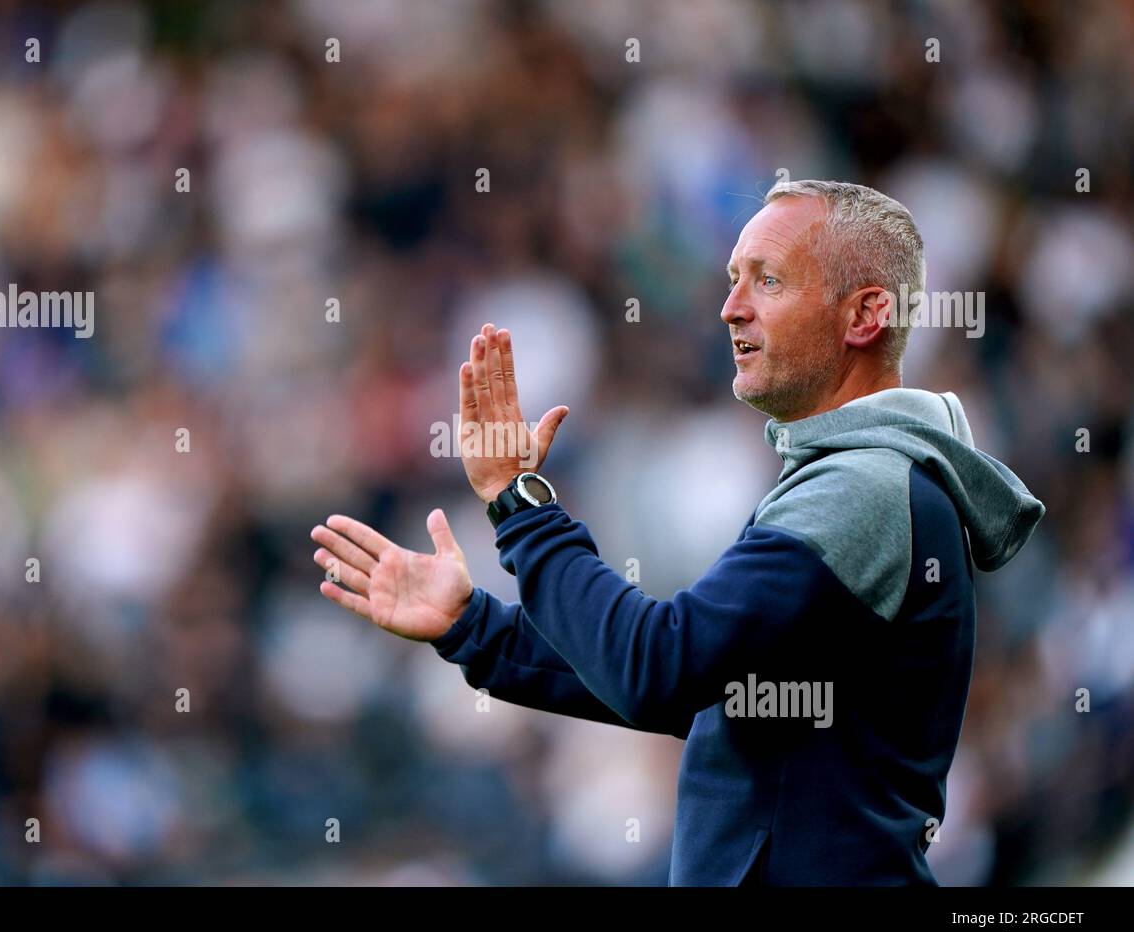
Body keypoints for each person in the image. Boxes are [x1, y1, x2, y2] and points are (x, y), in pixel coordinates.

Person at [309, 180, 1045, 885]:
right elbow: (702, 693)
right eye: (733, 278)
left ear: (864, 316)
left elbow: (657, 667)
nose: (730, 308)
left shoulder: (862, 489)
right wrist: (473, 628)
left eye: (768, 280)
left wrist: (520, 504)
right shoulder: (862, 483)